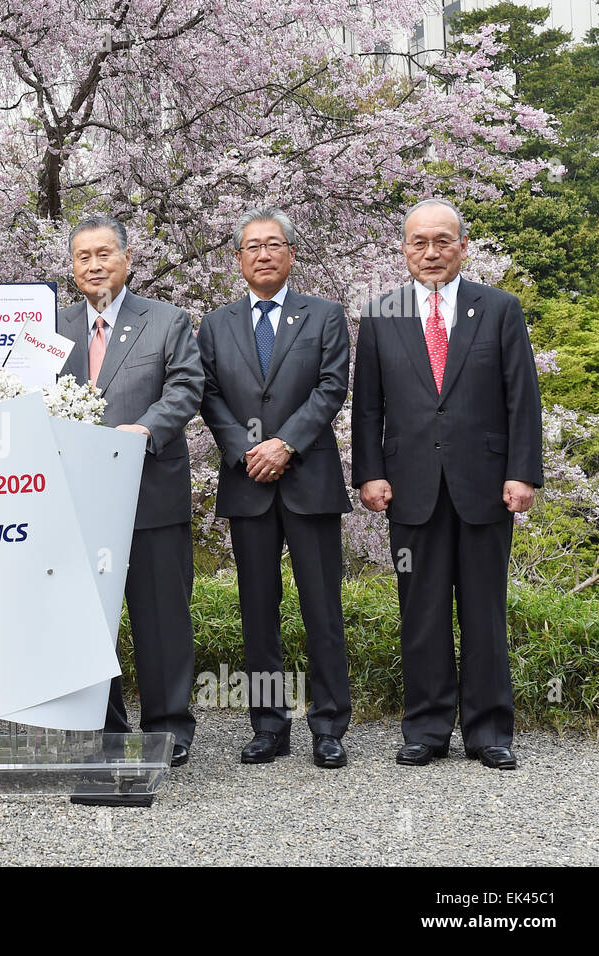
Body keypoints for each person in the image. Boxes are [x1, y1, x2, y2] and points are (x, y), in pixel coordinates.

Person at [352, 197, 542, 770]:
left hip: (485, 485)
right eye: (419, 242)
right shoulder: (380, 315)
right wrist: (370, 473)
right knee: (422, 609)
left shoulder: (500, 308)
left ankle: (489, 732)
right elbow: (367, 408)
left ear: (462, 246)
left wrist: (522, 472)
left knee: (484, 609)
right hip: (409, 486)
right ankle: (427, 728)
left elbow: (522, 398)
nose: (430, 252)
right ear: (405, 249)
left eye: (442, 241)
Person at [198, 207, 352, 768]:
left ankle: (329, 724)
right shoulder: (214, 324)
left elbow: (332, 386)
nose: (263, 254)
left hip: (308, 479)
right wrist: (246, 450)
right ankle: (268, 725)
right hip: (248, 484)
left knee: (322, 608)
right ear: (238, 259)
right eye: (252, 247)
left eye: (274, 245)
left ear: (291, 254)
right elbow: (208, 395)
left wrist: (284, 444)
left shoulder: (325, 315)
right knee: (257, 609)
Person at [58, 213, 204, 766]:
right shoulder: (52, 329)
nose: (94, 266)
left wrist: (146, 429)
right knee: (89, 617)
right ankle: (106, 725)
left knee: (162, 614)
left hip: (149, 491)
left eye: (104, 254)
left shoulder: (166, 320)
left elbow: (187, 385)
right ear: (73, 268)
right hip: (73, 498)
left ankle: (169, 727)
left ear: (127, 259)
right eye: (83, 258)